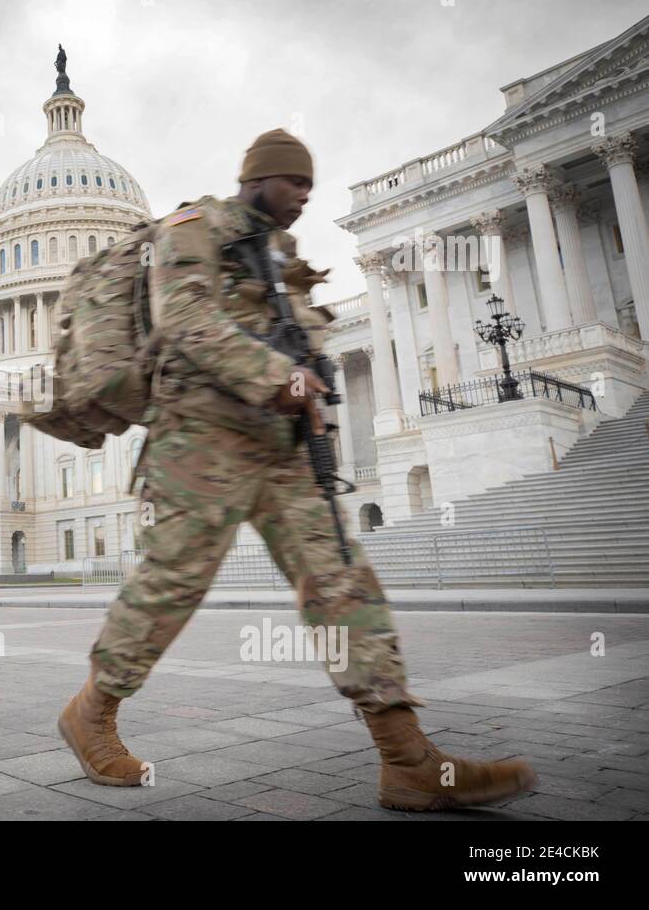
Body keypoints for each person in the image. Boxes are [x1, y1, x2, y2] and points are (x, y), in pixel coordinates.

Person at [58, 130, 537, 811]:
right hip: (200, 439)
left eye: (311, 183)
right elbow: (185, 318)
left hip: (282, 446)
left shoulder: (282, 255)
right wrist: (274, 374)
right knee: (173, 583)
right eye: (294, 181)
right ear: (256, 179)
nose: (305, 194)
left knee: (341, 582)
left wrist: (306, 382)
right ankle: (92, 713)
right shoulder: (194, 227)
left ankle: (407, 759)